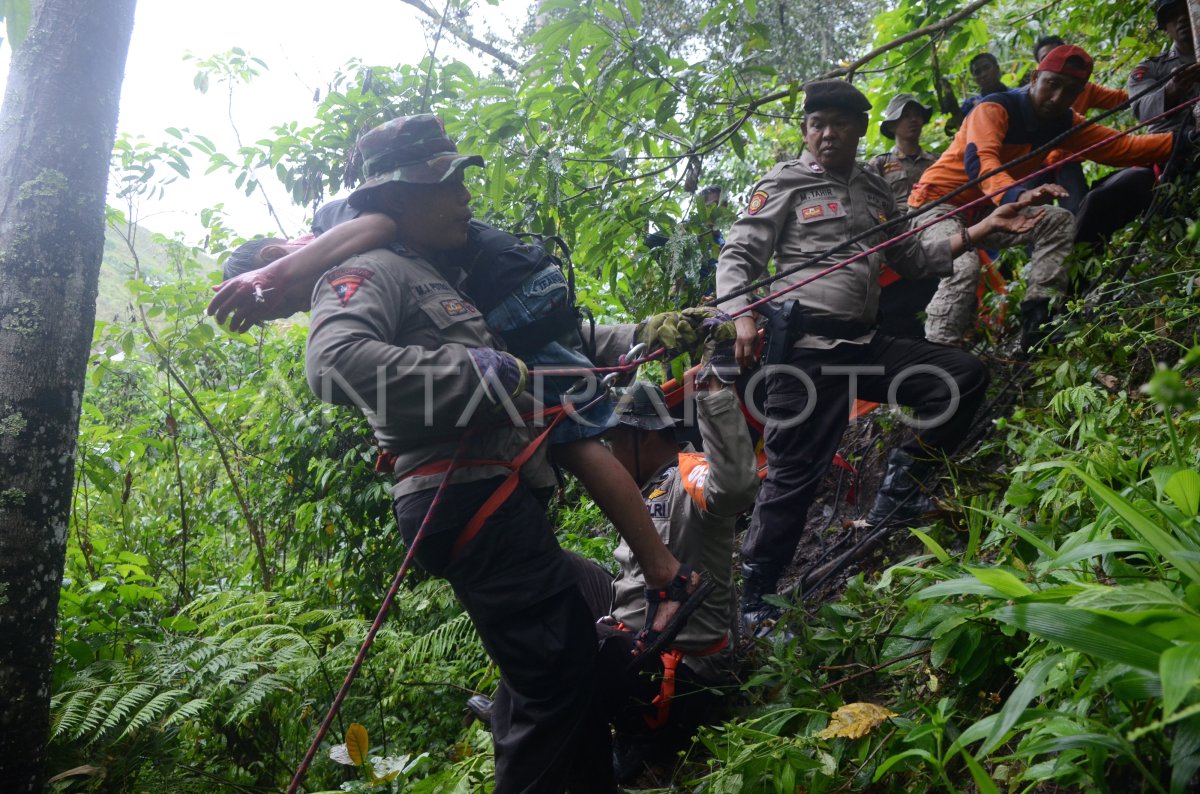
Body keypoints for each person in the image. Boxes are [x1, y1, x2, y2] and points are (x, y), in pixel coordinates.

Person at [295, 114, 712, 793]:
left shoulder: (447, 274)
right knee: (557, 681)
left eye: (462, 181)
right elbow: (334, 365)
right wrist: (473, 372)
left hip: (494, 495)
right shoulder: (372, 271)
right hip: (462, 494)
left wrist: (644, 331)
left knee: (571, 649)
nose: (464, 197)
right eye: (446, 184)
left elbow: (550, 350)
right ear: (396, 198)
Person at [714, 79, 1038, 630]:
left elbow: (911, 256)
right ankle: (756, 595)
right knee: (793, 476)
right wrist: (740, 314)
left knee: (960, 376)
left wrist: (980, 229)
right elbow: (738, 255)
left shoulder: (874, 187)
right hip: (806, 352)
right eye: (816, 124)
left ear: (861, 129)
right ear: (805, 131)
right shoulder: (785, 182)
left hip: (865, 344)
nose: (827, 134)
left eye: (839, 123)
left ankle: (900, 489)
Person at [907, 45, 1177, 351]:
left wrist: (1182, 137)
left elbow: (1122, 148)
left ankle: (1038, 324)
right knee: (962, 265)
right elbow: (981, 162)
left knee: (1057, 220)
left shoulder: (1064, 123)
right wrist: (1019, 194)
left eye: (1070, 91)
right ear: (1035, 77)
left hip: (987, 207)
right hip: (938, 203)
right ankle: (939, 358)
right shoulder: (995, 108)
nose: (1057, 98)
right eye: (1052, 84)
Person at [604, 376, 759, 777]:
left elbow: (736, 488)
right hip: (636, 640)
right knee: (562, 575)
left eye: (613, 442)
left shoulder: (690, 473)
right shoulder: (640, 491)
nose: (609, 454)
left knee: (583, 651)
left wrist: (714, 396)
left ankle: (634, 738)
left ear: (642, 437)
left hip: (681, 667)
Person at [1073, 0, 1200, 246]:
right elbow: (1142, 110)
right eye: (1172, 16)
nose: (1182, 19)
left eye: (1186, 10)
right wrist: (1172, 90)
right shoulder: (1151, 69)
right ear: (1165, 28)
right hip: (1167, 154)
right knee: (1101, 199)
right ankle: (1071, 268)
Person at [867, 93, 941, 338]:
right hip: (897, 237)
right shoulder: (879, 164)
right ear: (892, 125)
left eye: (917, 115)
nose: (914, 120)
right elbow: (870, 205)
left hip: (935, 230)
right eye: (906, 116)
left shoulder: (937, 161)